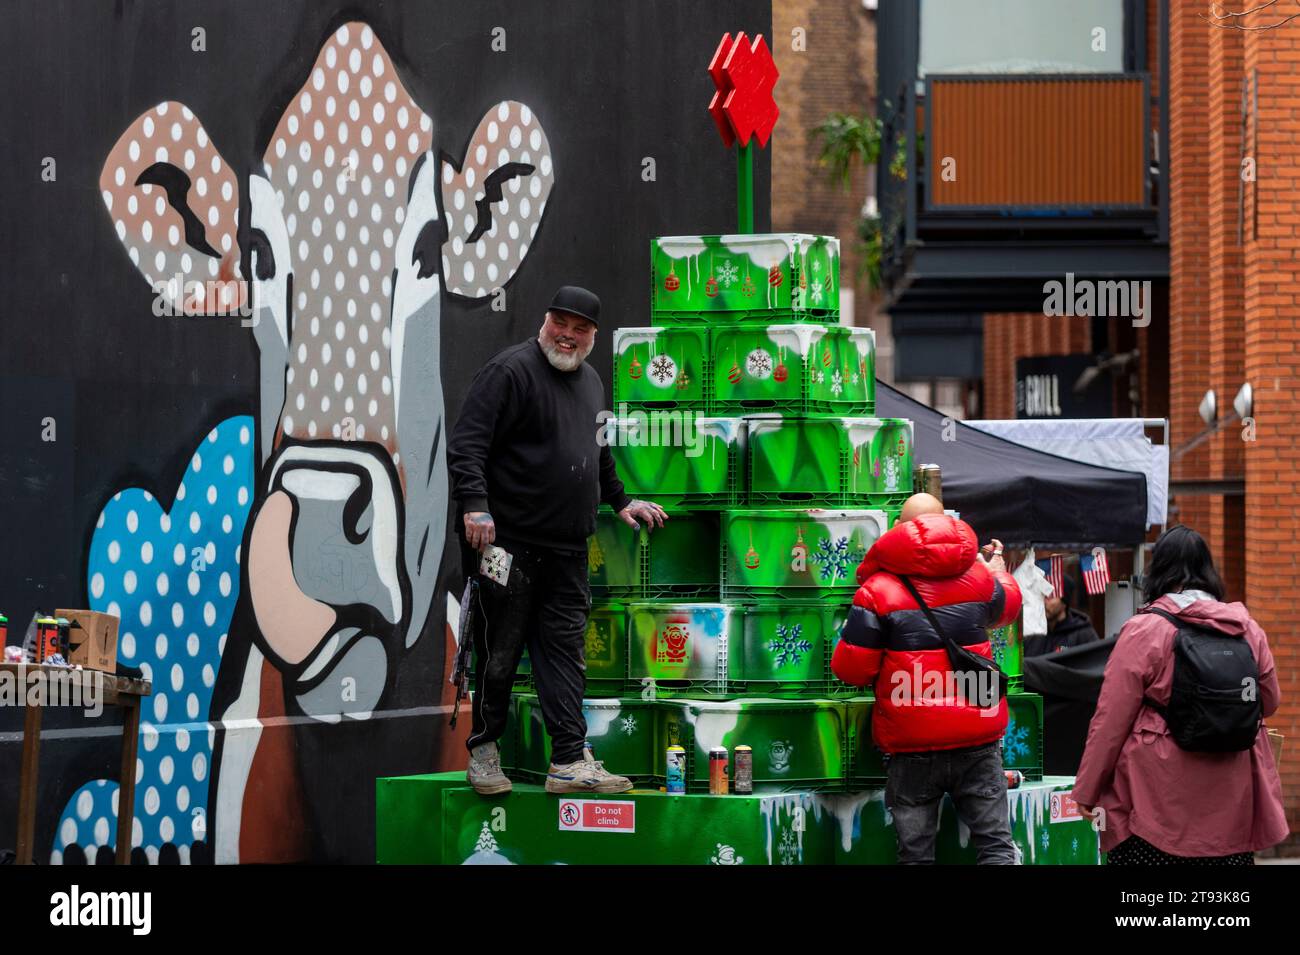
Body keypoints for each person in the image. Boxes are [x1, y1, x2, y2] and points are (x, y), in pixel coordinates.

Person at [447, 285, 668, 796]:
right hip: (506, 545)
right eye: (559, 324)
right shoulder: (509, 371)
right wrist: (475, 505)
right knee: (498, 652)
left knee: (565, 655)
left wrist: (620, 502)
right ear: (545, 322)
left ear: (593, 335)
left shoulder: (591, 381)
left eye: (579, 329)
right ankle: (483, 752)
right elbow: (467, 443)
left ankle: (568, 760)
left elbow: (598, 452)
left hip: (568, 548)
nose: (567, 336)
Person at [1073, 526, 1288, 864]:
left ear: (1158, 571)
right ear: (1207, 570)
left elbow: (1110, 720)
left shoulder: (1145, 630)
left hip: (1155, 805)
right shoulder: (1248, 630)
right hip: (1231, 806)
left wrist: (1086, 790)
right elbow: (1270, 702)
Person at [831, 493, 1024, 864]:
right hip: (978, 736)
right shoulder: (980, 577)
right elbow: (1009, 607)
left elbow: (852, 671)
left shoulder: (877, 591)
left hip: (911, 743)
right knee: (996, 846)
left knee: (916, 855)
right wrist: (998, 569)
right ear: (947, 523)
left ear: (900, 530)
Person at [1024, 574, 1100, 657]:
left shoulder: (1083, 634)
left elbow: (1095, 664)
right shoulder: (1032, 634)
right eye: (1042, 596)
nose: (1044, 602)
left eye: (1050, 597)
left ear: (1064, 602)